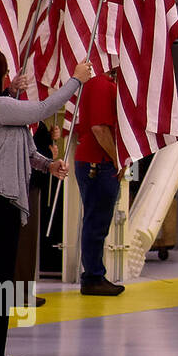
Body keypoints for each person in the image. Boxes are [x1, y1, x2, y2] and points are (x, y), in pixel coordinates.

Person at [0, 50, 91, 356]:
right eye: (3, 72)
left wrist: (49, 164)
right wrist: (75, 79)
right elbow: (45, 108)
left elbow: (25, 149)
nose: (7, 78)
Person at [72, 66, 126, 296]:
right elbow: (99, 128)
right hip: (98, 162)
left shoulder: (101, 84)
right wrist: (117, 160)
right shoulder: (102, 85)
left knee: (97, 221)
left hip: (97, 161)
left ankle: (94, 274)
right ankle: (93, 276)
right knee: (96, 222)